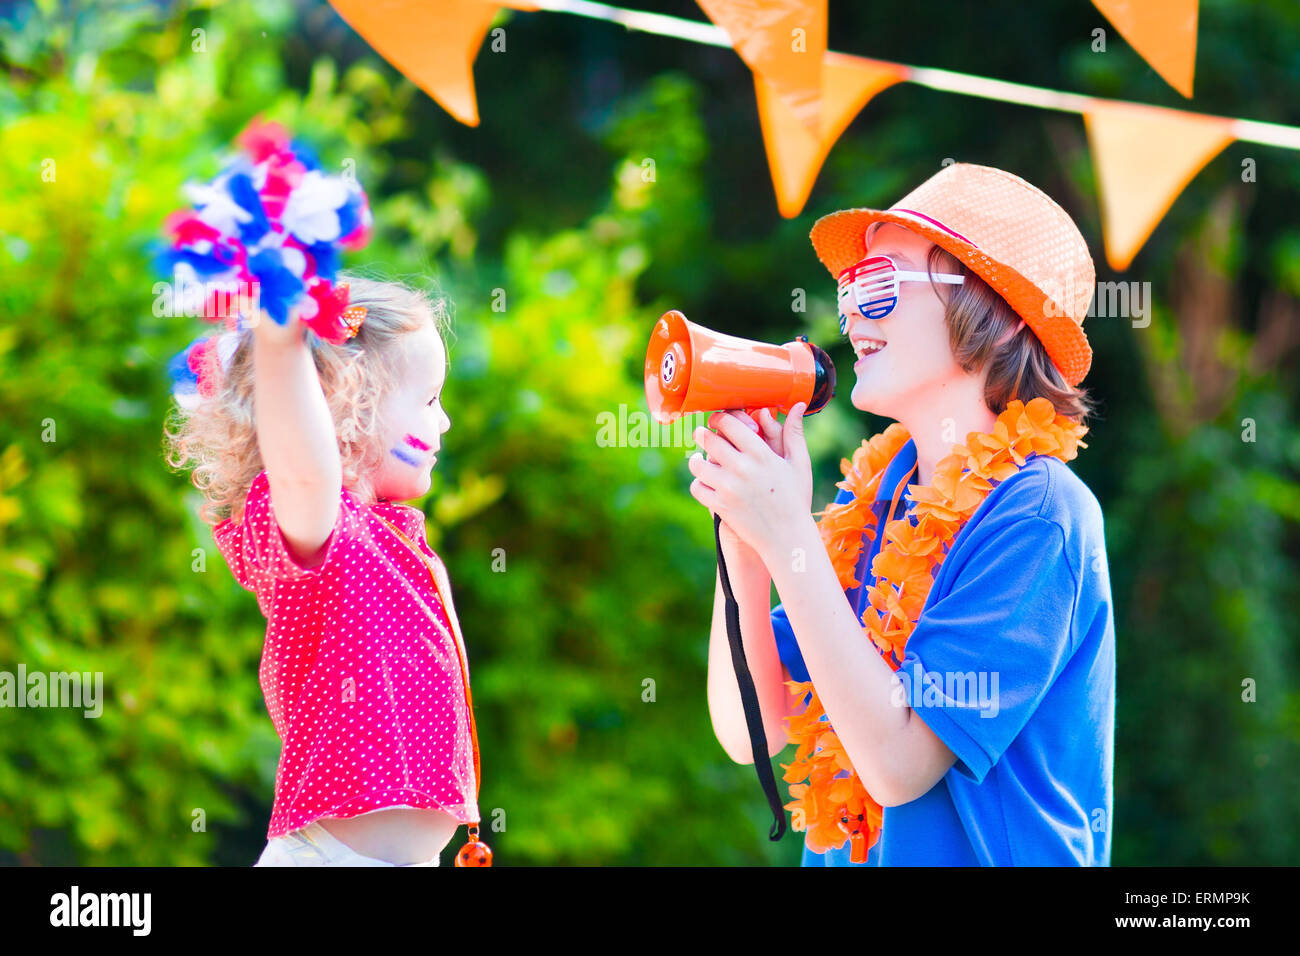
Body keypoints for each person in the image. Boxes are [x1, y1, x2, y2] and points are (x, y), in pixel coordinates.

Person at [689, 162, 1115, 865]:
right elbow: (751, 729)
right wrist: (746, 546)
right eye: (851, 286)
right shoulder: (880, 498)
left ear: (1001, 316)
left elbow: (897, 766)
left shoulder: (1041, 516)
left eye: (882, 284)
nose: (851, 311)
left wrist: (790, 531)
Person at [165, 275, 482, 866]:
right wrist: (281, 339)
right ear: (349, 406)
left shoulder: (385, 534)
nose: (444, 423)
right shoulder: (320, 530)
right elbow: (307, 471)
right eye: (430, 400)